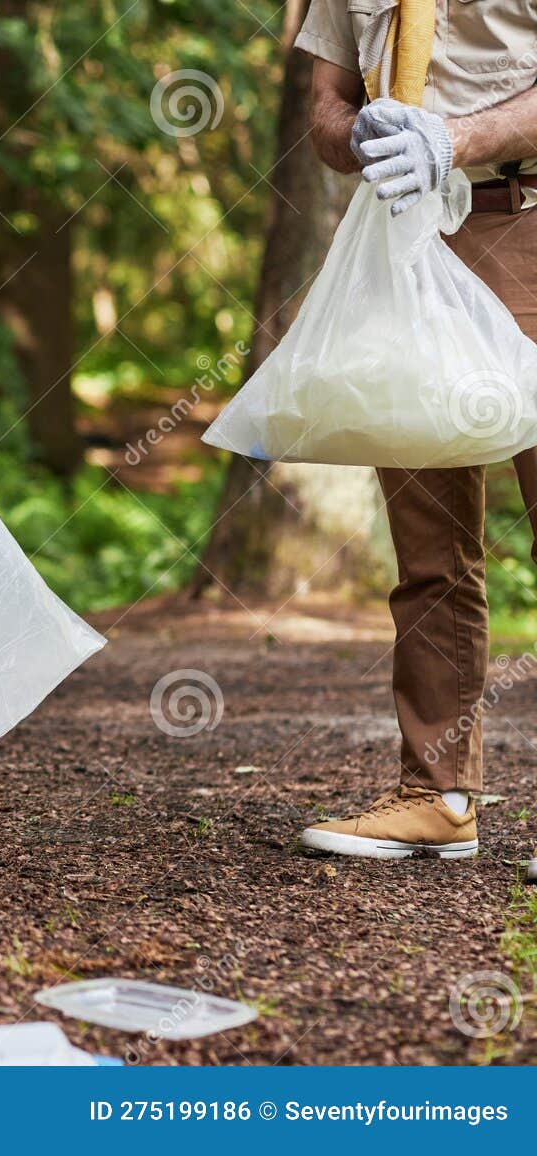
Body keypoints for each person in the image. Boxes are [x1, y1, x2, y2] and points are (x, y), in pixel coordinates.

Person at [296, 0, 537, 877]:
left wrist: (455, 138)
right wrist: (357, 133)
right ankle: (437, 795)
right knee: (431, 546)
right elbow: (324, 99)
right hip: (405, 235)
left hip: (528, 214)